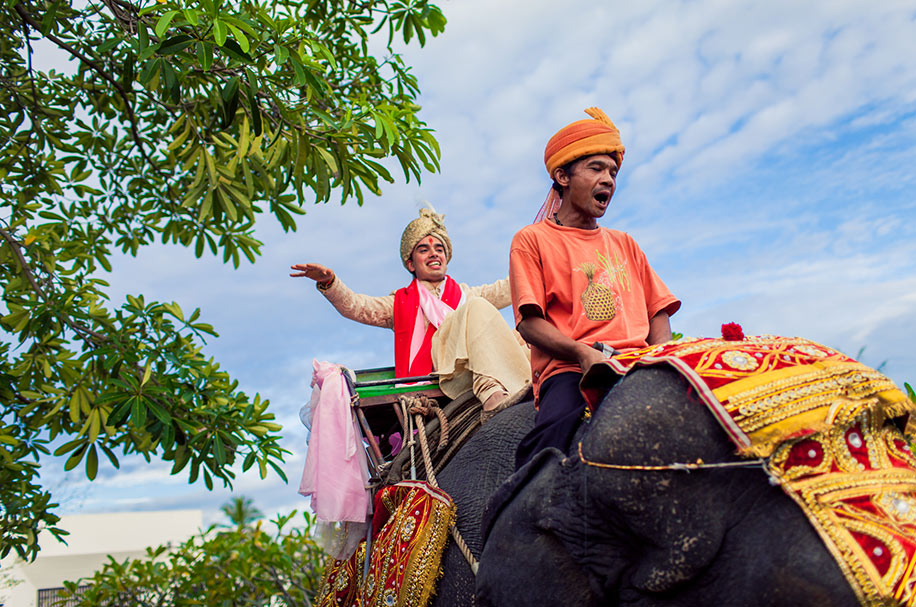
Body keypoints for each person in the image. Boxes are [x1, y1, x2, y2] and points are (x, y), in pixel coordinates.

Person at [509, 107, 681, 467]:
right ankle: (519, 512)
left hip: (636, 362)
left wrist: (663, 359)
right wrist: (583, 353)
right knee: (551, 441)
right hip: (572, 369)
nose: (609, 180)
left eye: (613, 172)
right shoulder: (532, 239)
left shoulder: (626, 243)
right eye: (596, 169)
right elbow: (529, 323)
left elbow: (657, 311)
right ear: (563, 176)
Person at [291, 207, 530, 414]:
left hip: (474, 362)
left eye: (439, 247)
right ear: (410, 263)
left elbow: (506, 288)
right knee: (477, 307)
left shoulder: (465, 293)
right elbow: (358, 307)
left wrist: (540, 262)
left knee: (526, 335)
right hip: (439, 372)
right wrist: (330, 283)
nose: (434, 253)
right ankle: (490, 393)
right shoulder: (400, 302)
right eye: (424, 249)